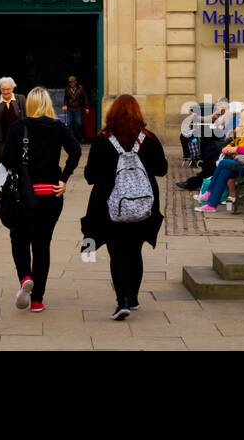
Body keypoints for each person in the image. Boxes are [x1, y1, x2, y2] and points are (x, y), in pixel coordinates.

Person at [81, 94, 167, 320]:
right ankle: (134, 297)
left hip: (110, 206)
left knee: (117, 253)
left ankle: (123, 301)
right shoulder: (149, 139)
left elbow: (90, 176)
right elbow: (162, 169)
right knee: (135, 251)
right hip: (143, 206)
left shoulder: (103, 140)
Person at [0, 87, 80, 314]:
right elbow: (75, 151)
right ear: (48, 104)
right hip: (51, 194)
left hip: (23, 196)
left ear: (29, 105)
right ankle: (37, 300)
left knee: (19, 239)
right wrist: (64, 177)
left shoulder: (18, 127)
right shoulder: (58, 127)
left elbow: (7, 160)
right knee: (42, 245)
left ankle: (25, 277)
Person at [194, 126, 244, 212]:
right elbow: (236, 142)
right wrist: (232, 148)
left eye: (242, 119)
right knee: (224, 172)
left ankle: (209, 192)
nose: (240, 120)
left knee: (223, 163)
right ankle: (211, 205)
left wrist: (237, 149)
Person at [176, 96, 230, 190]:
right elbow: (206, 119)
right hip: (215, 142)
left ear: (223, 107)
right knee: (203, 143)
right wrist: (196, 117)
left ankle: (193, 181)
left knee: (208, 151)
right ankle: (199, 164)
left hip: (221, 144)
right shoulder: (219, 114)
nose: (216, 107)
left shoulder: (227, 116)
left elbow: (222, 131)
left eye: (218, 105)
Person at [0, 77, 25, 169]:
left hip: (18, 139)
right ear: (0, 89)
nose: (5, 92)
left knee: (18, 164)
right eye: (3, 89)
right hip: (1, 140)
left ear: (12, 88)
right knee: (0, 165)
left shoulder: (21, 99)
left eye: (8, 89)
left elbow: (25, 117)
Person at [64, 75, 88, 140]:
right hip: (70, 108)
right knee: (68, 123)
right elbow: (65, 98)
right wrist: (65, 105)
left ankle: (83, 136)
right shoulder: (67, 88)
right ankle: (69, 138)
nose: (71, 83)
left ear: (75, 82)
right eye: (70, 82)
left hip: (78, 108)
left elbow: (85, 97)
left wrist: (87, 107)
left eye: (72, 82)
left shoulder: (80, 88)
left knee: (79, 123)